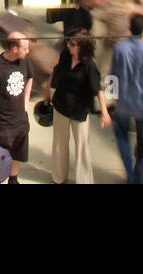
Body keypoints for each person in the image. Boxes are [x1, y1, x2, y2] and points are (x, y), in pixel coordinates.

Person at [108, 13, 143, 182]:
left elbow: (113, 76)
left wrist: (111, 99)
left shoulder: (119, 49)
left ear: (129, 27)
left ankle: (130, 173)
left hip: (124, 103)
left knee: (121, 134)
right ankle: (139, 172)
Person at [47, 28, 108, 184]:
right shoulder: (65, 56)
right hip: (61, 105)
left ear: (83, 47)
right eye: (69, 42)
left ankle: (84, 180)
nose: (69, 46)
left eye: (73, 44)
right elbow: (56, 72)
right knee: (60, 144)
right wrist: (48, 92)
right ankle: (58, 178)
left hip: (79, 111)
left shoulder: (89, 66)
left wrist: (104, 113)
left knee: (82, 148)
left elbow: (97, 90)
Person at [0, 33, 34, 184]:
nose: (28, 52)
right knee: (1, 157)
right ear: (14, 49)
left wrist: (26, 100)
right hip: (3, 123)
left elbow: (30, 77)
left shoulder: (24, 62)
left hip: (20, 121)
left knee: (18, 153)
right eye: (25, 48)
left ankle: (13, 179)